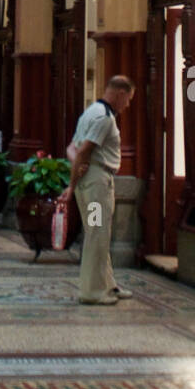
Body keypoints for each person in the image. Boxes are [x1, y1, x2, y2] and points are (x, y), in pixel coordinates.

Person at [60, 75, 135, 305]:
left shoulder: (91, 111)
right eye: (128, 99)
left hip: (90, 179)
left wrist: (78, 169)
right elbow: (82, 151)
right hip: (96, 184)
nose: (128, 105)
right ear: (120, 94)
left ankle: (107, 284)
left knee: (100, 233)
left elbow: (71, 149)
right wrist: (71, 186)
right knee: (96, 234)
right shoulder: (104, 119)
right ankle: (92, 291)